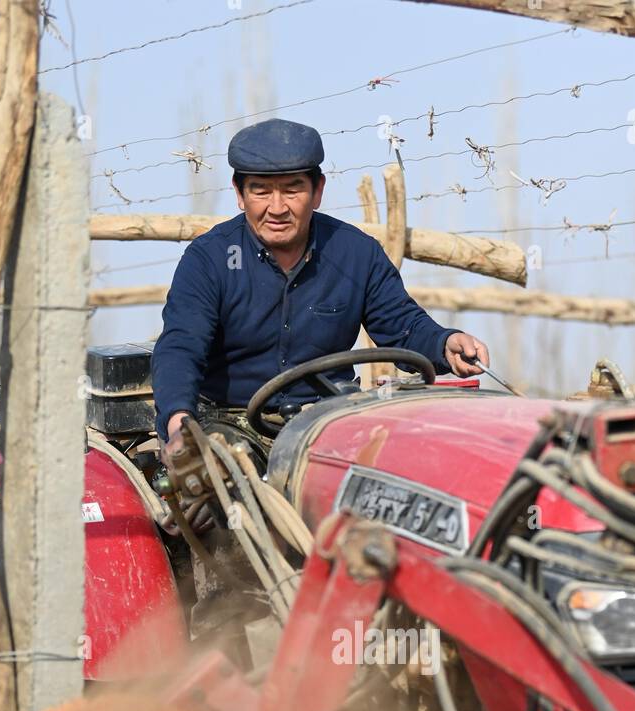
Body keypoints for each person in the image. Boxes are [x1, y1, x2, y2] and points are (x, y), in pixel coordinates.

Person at [151, 116, 490, 464]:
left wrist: (444, 343)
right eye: (261, 190)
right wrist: (179, 424)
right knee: (220, 496)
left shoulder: (356, 253)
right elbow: (180, 348)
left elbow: (401, 323)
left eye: (293, 189)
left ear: (318, 191)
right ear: (239, 194)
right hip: (230, 424)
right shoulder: (208, 260)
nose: (277, 207)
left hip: (328, 423)